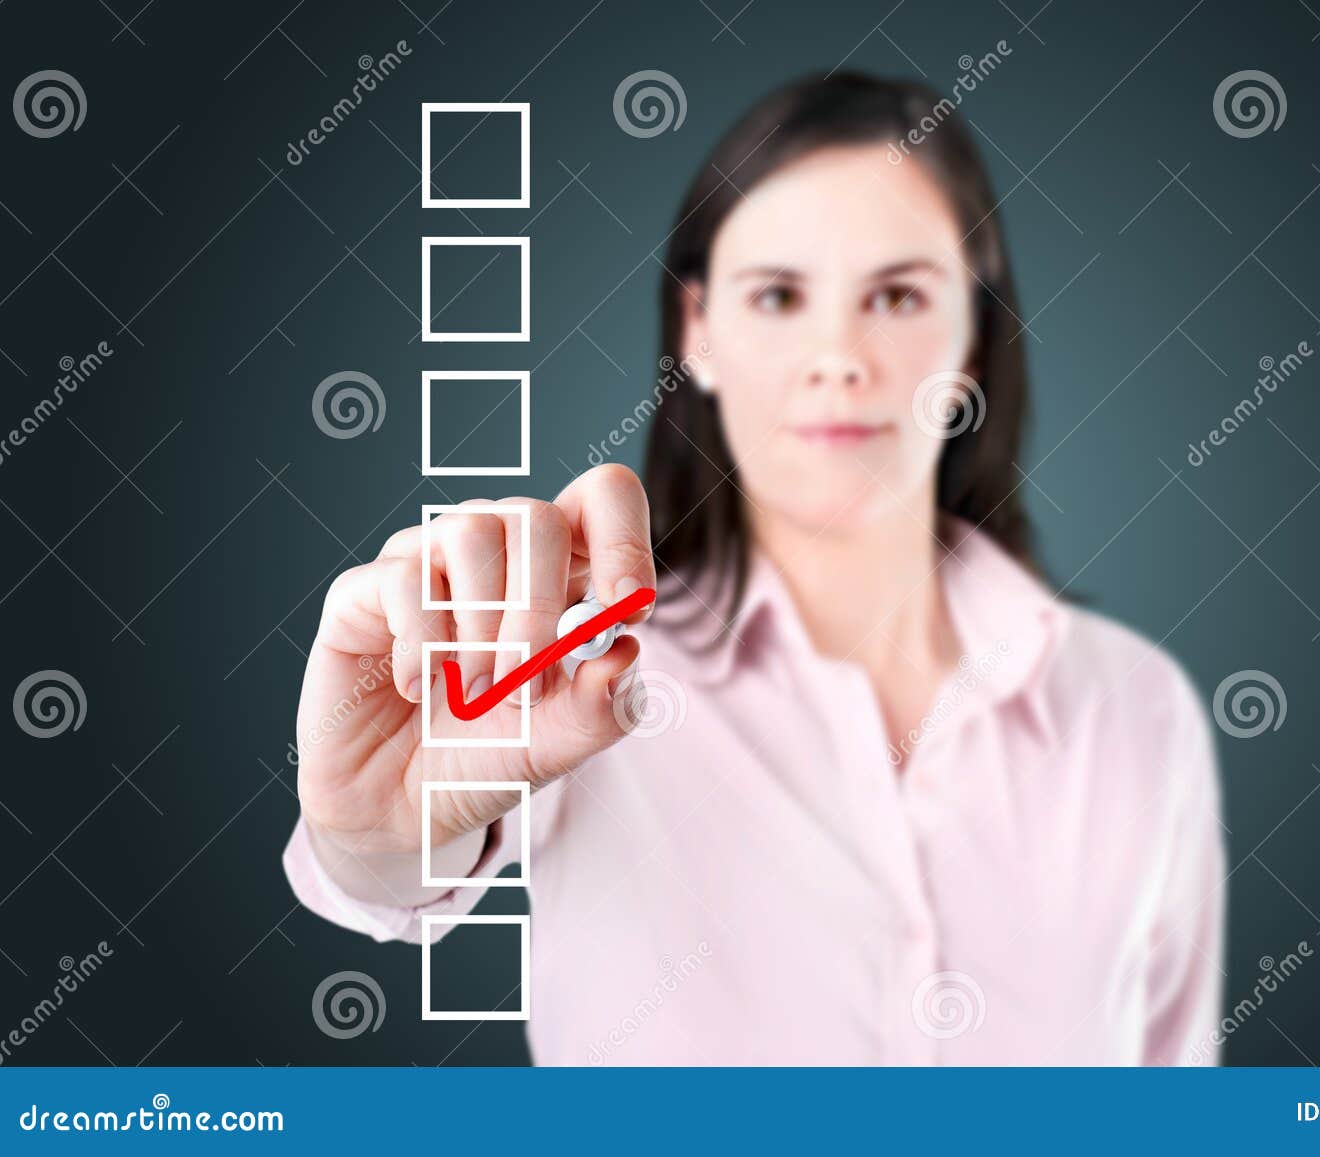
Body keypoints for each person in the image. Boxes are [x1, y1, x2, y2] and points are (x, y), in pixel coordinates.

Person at [283, 72, 1225, 1065]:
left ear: (975, 339)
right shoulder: (574, 671)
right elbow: (389, 864)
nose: (837, 355)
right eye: (777, 294)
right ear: (698, 332)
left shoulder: (1136, 710)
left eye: (898, 294)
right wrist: (372, 835)